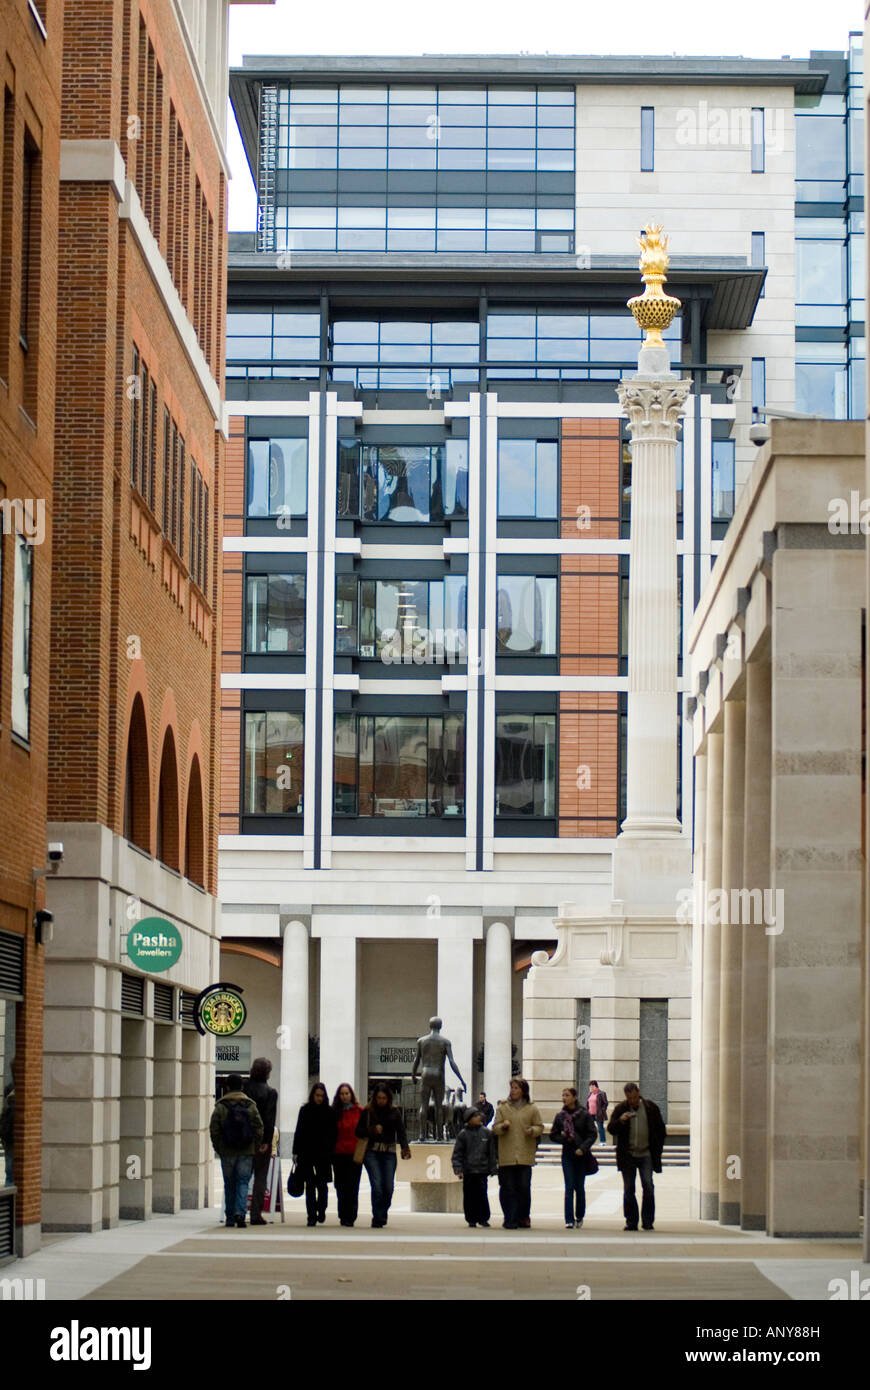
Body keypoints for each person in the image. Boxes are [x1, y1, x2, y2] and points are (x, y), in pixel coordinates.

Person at [608, 1082, 666, 1232]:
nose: (632, 1101)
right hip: (628, 1155)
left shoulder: (650, 1108)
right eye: (629, 1098)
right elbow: (611, 1129)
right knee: (629, 1189)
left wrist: (657, 1150)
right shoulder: (621, 1109)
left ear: (638, 1093)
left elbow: (660, 1130)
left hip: (646, 1154)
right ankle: (631, 1222)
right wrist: (621, 1120)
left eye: (634, 1097)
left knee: (648, 1186)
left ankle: (647, 1221)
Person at [209, 1072, 264, 1228]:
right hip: (246, 1151)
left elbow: (214, 1129)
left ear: (226, 1086)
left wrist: (218, 1147)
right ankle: (240, 1213)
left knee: (229, 1183)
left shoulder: (221, 1106)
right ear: (242, 1086)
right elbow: (259, 1127)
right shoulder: (250, 1105)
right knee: (243, 1182)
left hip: (227, 1151)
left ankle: (230, 1217)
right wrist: (255, 1145)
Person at [355, 1083, 411, 1228]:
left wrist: (405, 1148)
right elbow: (359, 1131)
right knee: (377, 1185)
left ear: (388, 1098)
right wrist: (372, 1130)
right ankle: (378, 1217)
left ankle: (382, 1210)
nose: (381, 1101)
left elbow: (401, 1131)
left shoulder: (394, 1112)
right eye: (379, 1098)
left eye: (384, 1098)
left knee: (388, 1187)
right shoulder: (368, 1111)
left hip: (389, 1152)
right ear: (374, 1098)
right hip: (371, 1152)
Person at [492, 1077, 543, 1230]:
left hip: (524, 1155)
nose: (513, 1091)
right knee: (507, 1188)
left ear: (523, 1091)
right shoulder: (503, 1108)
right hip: (506, 1155)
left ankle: (523, 1216)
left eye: (516, 1088)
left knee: (523, 1187)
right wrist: (503, 1126)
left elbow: (539, 1127)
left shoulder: (532, 1108)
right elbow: (495, 1128)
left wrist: (532, 1131)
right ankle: (509, 1218)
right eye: (512, 1088)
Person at [551, 1087, 597, 1229]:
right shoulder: (560, 1116)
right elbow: (553, 1134)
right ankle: (569, 1219)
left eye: (567, 1095)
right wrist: (564, 1138)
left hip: (581, 1155)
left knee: (579, 1187)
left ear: (574, 1097)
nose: (564, 1097)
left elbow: (592, 1134)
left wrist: (582, 1148)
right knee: (569, 1186)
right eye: (563, 1095)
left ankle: (579, 1215)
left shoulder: (584, 1114)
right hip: (568, 1155)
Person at [293, 1082, 337, 1227]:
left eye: (322, 1096)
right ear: (312, 1095)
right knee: (310, 1185)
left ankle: (321, 1208)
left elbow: (333, 1133)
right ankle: (311, 1215)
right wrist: (295, 1152)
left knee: (322, 1185)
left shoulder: (329, 1112)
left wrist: (330, 1151)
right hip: (307, 1152)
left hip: (323, 1153)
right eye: (317, 1095)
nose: (319, 1098)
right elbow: (298, 1131)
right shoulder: (305, 1110)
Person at [244, 1057, 278, 1225]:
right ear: (268, 1073)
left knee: (242, 1177)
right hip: (261, 1141)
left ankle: (238, 1211)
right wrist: (267, 1141)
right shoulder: (270, 1093)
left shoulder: (244, 1089)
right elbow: (269, 1119)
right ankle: (256, 1214)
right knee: (260, 1177)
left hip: (243, 1139)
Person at [452, 1106, 498, 1228]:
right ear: (469, 1119)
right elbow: (457, 1153)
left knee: (482, 1194)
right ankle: (471, 1218)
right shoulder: (463, 1134)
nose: (479, 1117)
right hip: (469, 1171)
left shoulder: (486, 1133)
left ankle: (483, 1218)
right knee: (469, 1195)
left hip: (482, 1170)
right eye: (476, 1116)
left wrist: (493, 1167)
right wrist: (458, 1168)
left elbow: (491, 1152)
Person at [331, 1082, 363, 1227]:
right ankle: (343, 1214)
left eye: (347, 1093)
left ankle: (351, 1215)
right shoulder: (334, 1112)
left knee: (353, 1186)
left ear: (351, 1095)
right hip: (338, 1154)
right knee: (341, 1186)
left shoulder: (359, 1111)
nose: (344, 1096)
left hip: (355, 1154)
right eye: (342, 1094)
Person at [586, 1080, 608, 1146]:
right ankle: (590, 1141)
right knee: (590, 1128)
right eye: (590, 1086)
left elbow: (605, 1103)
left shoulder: (601, 1093)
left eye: (592, 1086)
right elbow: (588, 1103)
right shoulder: (590, 1094)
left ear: (596, 1086)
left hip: (598, 1114)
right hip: (590, 1114)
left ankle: (603, 1141)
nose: (591, 1088)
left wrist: (602, 1110)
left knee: (600, 1128)